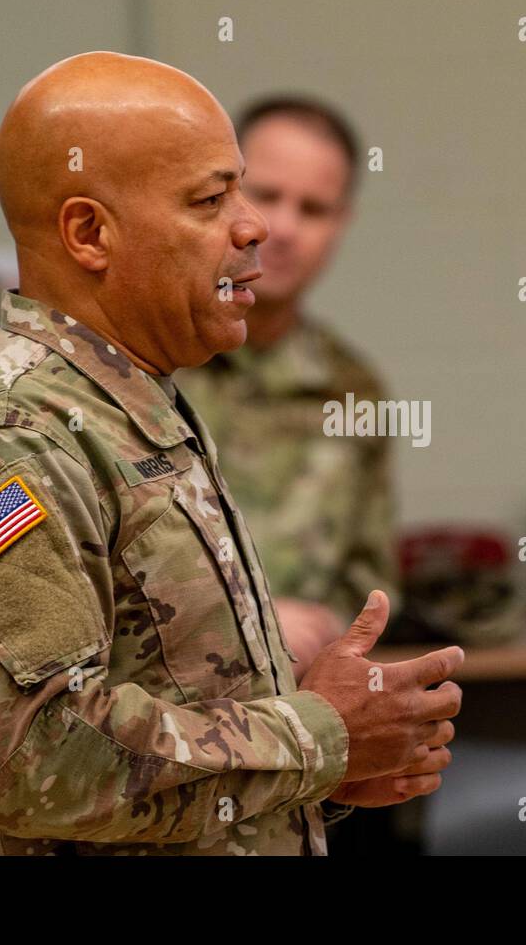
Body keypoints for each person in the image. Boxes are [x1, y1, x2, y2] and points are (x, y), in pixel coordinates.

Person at [0, 51, 463, 855]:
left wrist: (319, 769)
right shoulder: (10, 445)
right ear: (89, 232)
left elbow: (174, 707)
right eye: (212, 198)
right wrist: (317, 735)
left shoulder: (133, 403)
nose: (253, 226)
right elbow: (40, 762)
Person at [176, 97, 398, 681]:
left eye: (315, 208)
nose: (287, 230)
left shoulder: (353, 390)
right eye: (268, 196)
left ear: (341, 223)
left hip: (301, 719)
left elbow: (370, 579)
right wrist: (250, 623)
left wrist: (327, 631)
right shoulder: (152, 354)